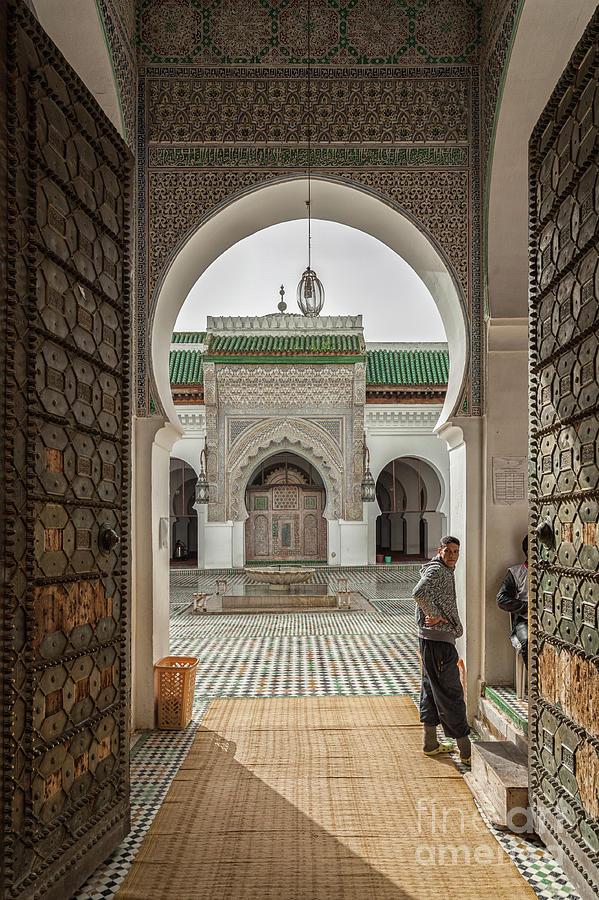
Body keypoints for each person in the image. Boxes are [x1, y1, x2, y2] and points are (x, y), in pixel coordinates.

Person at [412, 535, 471, 764]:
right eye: (448, 551)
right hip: (438, 642)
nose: (453, 555)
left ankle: (430, 743)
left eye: (456, 552)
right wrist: (433, 615)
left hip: (431, 641)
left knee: (430, 688)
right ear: (440, 550)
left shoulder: (442, 569)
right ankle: (466, 751)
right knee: (450, 693)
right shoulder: (436, 571)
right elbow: (418, 593)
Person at [497, 536, 529, 668]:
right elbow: (502, 599)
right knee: (528, 642)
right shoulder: (516, 572)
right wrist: (526, 607)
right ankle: (536, 685)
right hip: (524, 621)